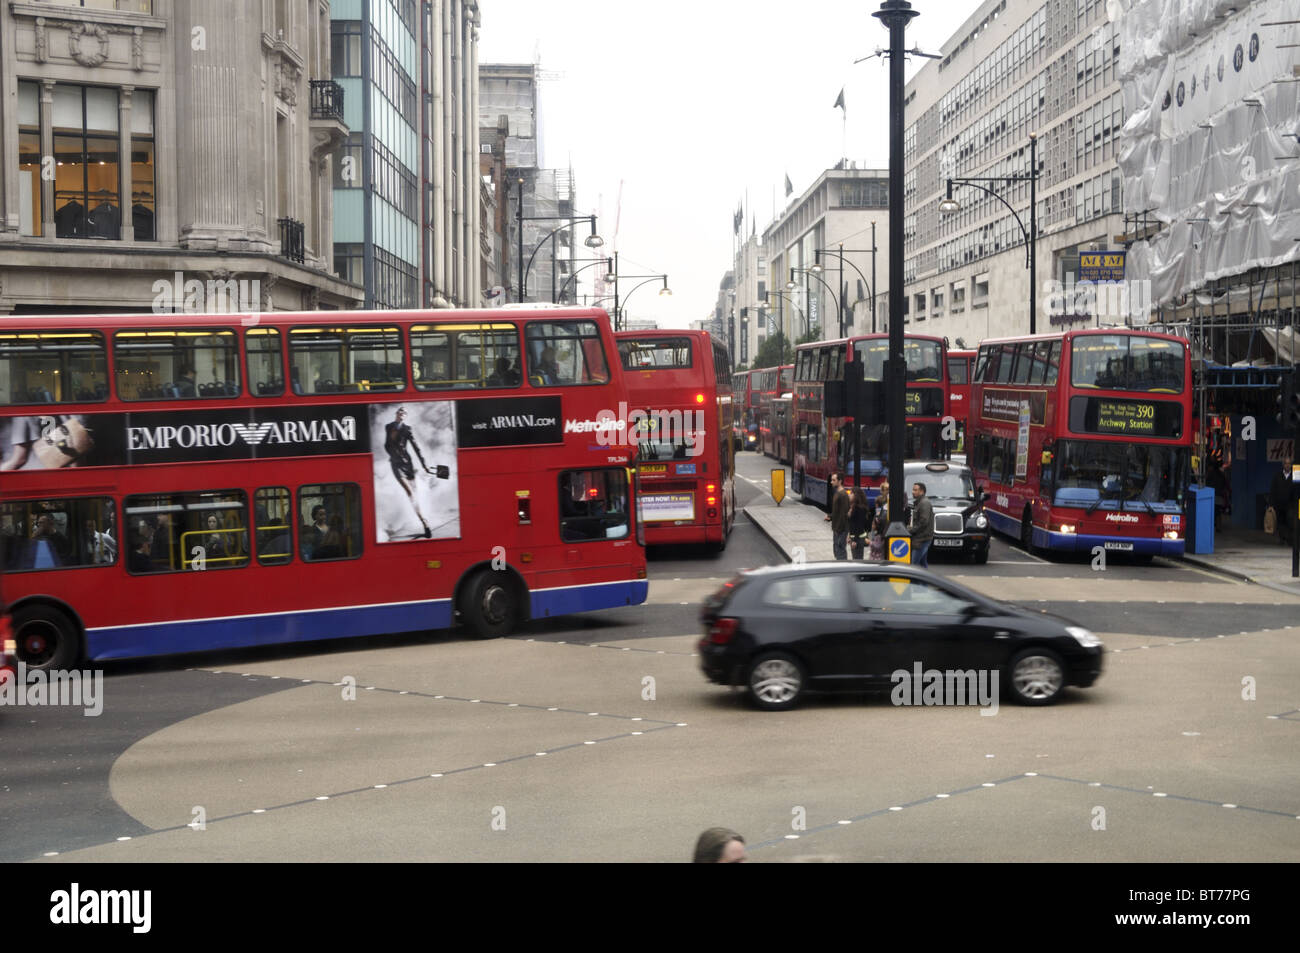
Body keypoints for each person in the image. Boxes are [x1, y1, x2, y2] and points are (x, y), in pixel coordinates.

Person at [385, 406, 449, 539]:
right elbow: (387, 445)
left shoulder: (407, 429)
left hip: (407, 464)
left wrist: (424, 465)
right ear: (396, 414)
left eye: (404, 412)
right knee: (410, 493)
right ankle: (424, 522)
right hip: (396, 465)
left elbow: (416, 448)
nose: (402, 413)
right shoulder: (388, 426)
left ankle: (420, 517)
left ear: (405, 416)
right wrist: (393, 455)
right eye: (400, 411)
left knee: (415, 495)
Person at [824, 471, 849, 560]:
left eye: (834, 480)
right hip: (837, 528)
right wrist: (830, 516)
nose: (831, 482)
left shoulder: (843, 495)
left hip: (841, 529)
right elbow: (837, 512)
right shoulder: (837, 493)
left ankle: (843, 570)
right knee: (836, 551)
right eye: (831, 480)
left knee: (840, 552)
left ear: (840, 481)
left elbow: (844, 514)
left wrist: (840, 530)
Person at [911, 481, 935, 568]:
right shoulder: (920, 502)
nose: (913, 492)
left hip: (922, 539)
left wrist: (911, 530)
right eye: (913, 490)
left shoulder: (924, 503)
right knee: (922, 564)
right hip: (922, 538)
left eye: (915, 490)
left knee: (914, 565)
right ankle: (926, 581)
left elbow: (923, 521)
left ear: (922, 491)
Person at [869, 480, 889, 562]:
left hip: (880, 528)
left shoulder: (881, 500)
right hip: (882, 527)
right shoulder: (885, 500)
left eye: (882, 490)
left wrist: (875, 521)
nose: (881, 491)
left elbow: (877, 515)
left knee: (876, 542)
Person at [848, 486, 870, 560]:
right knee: (855, 558)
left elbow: (859, 525)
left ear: (856, 495)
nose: (849, 495)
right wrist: (849, 535)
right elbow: (852, 524)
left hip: (858, 538)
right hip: (854, 537)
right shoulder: (853, 507)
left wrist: (855, 540)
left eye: (851, 493)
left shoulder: (860, 508)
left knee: (858, 560)